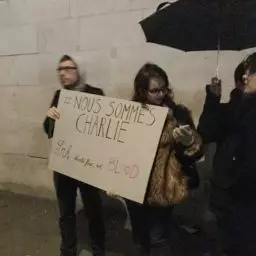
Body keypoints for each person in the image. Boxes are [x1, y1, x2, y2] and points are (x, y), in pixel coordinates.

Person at [125, 63, 203, 256]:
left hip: (163, 188)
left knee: (159, 239)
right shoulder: (130, 114)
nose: (161, 94)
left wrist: (189, 141)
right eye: (154, 90)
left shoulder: (179, 113)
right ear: (142, 91)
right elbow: (121, 148)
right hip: (135, 187)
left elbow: (197, 151)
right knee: (140, 236)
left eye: (164, 89)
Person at [43, 55, 105, 256]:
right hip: (64, 164)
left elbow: (104, 131)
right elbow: (49, 130)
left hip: (87, 165)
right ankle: (67, 251)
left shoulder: (96, 94)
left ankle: (98, 249)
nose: (63, 73)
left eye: (68, 68)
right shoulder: (59, 96)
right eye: (60, 69)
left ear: (80, 70)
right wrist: (50, 117)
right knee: (66, 213)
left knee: (93, 211)